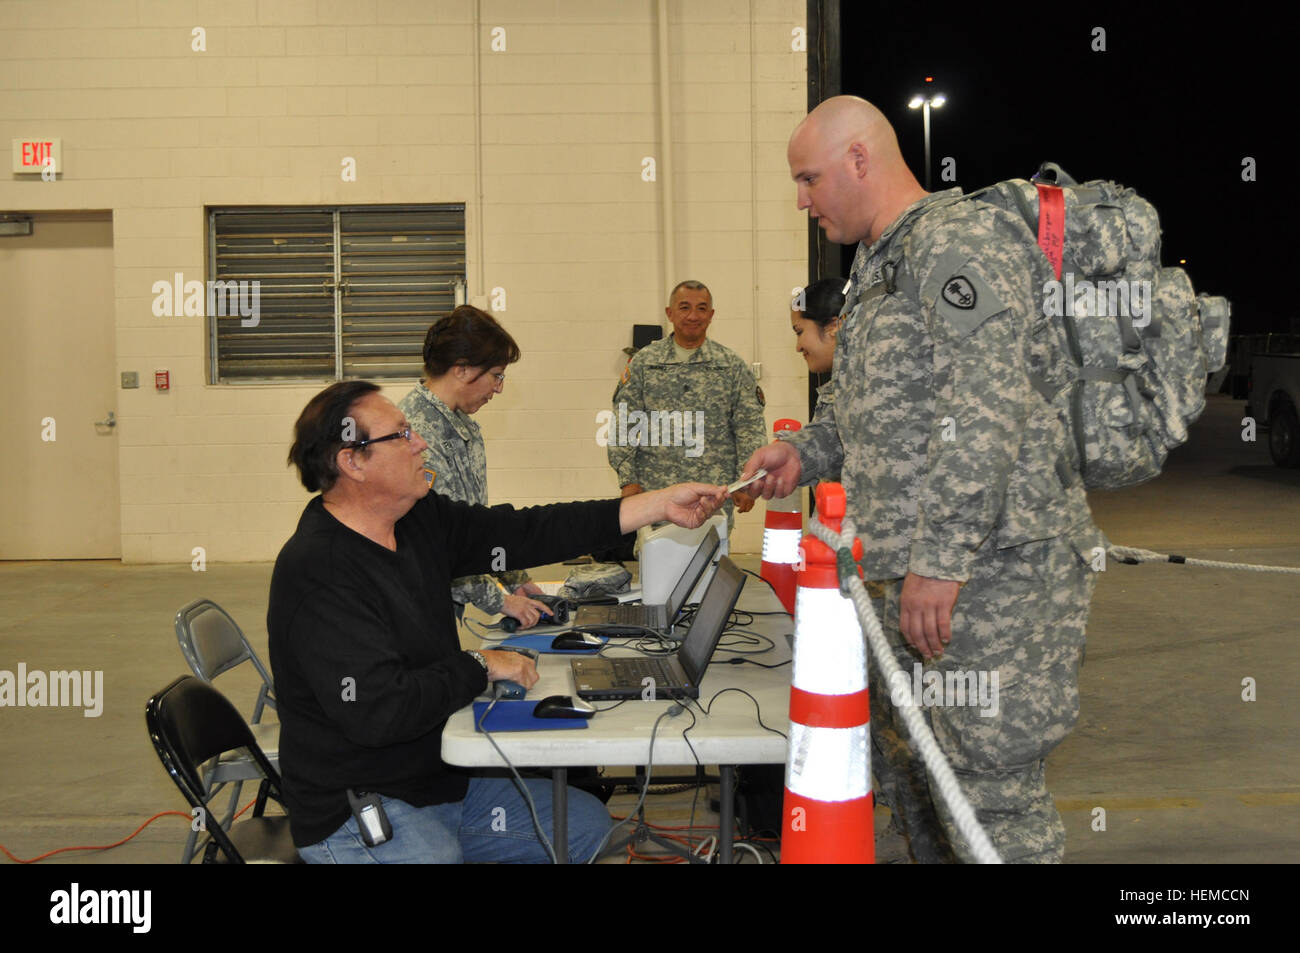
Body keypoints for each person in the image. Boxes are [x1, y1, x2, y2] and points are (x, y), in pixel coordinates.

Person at [743, 96, 1105, 863]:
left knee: (989, 797)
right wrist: (801, 453)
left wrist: (939, 559)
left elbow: (986, 405)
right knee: (917, 784)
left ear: (860, 161)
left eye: (808, 179)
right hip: (911, 578)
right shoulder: (880, 263)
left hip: (989, 578)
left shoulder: (954, 243)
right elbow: (869, 413)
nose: (800, 200)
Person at [268, 380, 724, 863]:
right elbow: (380, 710)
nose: (420, 441)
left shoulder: (418, 520)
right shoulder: (320, 571)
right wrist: (479, 665)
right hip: (359, 804)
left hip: (438, 778)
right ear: (352, 462)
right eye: (401, 435)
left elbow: (525, 531)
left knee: (584, 826)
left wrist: (656, 504)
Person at [397, 306, 553, 629]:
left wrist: (515, 579)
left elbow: (478, 528)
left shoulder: (465, 428)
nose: (499, 388)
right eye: (496, 375)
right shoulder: (414, 434)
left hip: (441, 607)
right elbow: (441, 545)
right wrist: (503, 601)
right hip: (411, 609)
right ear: (463, 369)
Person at [608, 280, 768, 532]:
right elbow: (623, 424)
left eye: (702, 309)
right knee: (657, 567)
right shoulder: (645, 363)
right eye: (684, 308)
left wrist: (744, 484)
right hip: (654, 497)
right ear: (669, 313)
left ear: (711, 315)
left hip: (712, 499)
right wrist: (628, 481)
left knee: (709, 565)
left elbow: (750, 429)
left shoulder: (731, 366)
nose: (693, 316)